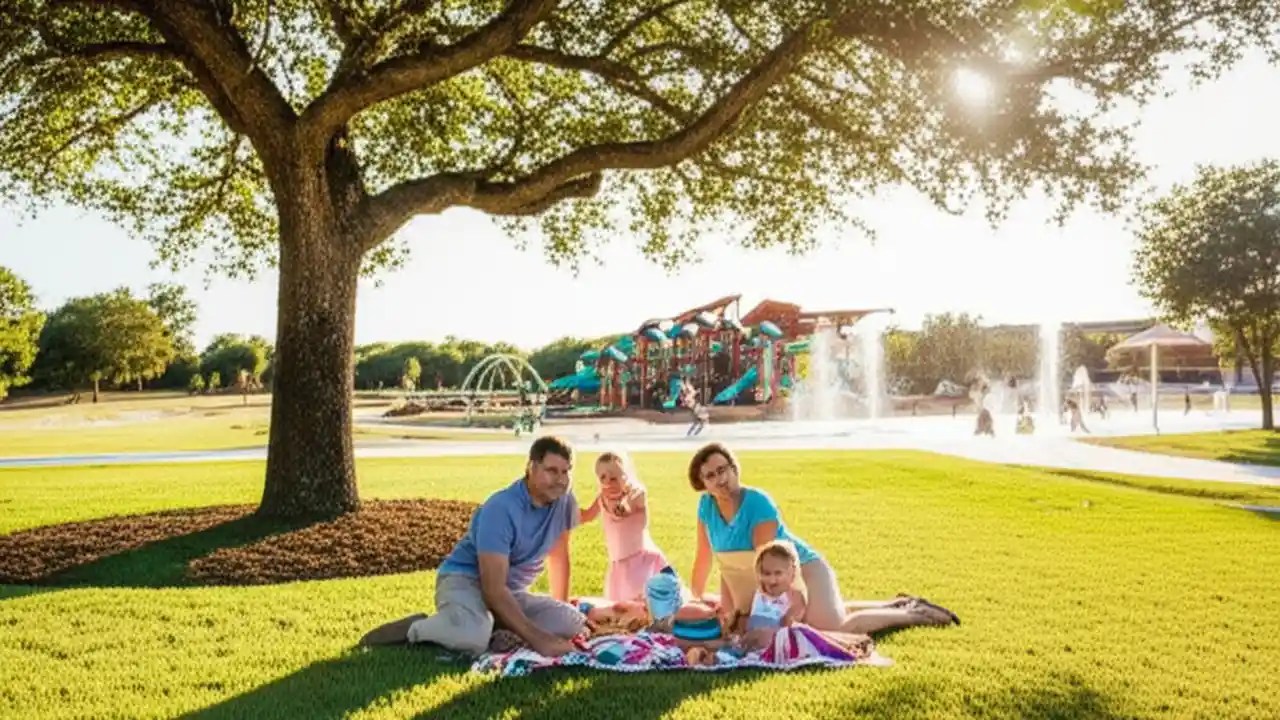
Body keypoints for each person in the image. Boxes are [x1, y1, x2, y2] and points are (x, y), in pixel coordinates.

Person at [687, 442, 959, 635]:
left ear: (735, 469)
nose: (719, 479)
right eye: (710, 476)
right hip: (764, 578)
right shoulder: (706, 507)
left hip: (799, 570)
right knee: (744, 627)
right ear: (703, 484)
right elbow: (706, 558)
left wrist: (770, 612)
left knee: (830, 628)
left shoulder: (758, 503)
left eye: (723, 470)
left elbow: (767, 562)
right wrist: (697, 599)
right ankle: (896, 603)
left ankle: (914, 614)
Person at [359, 436, 585, 656]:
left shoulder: (564, 501)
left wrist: (560, 606)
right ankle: (417, 627)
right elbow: (493, 589)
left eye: (566, 472)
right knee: (472, 639)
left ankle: (496, 627)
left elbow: (558, 557)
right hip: (465, 581)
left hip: (510, 591)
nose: (560, 480)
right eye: (552, 471)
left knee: (571, 621)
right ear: (531, 468)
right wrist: (540, 640)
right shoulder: (501, 508)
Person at [579, 451, 672, 602]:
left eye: (614, 477)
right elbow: (586, 516)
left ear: (626, 477)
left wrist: (625, 505)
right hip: (619, 565)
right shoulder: (602, 499)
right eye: (603, 477)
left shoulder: (635, 493)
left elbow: (631, 502)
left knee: (642, 602)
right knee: (622, 607)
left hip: (640, 561)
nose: (608, 482)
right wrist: (564, 508)